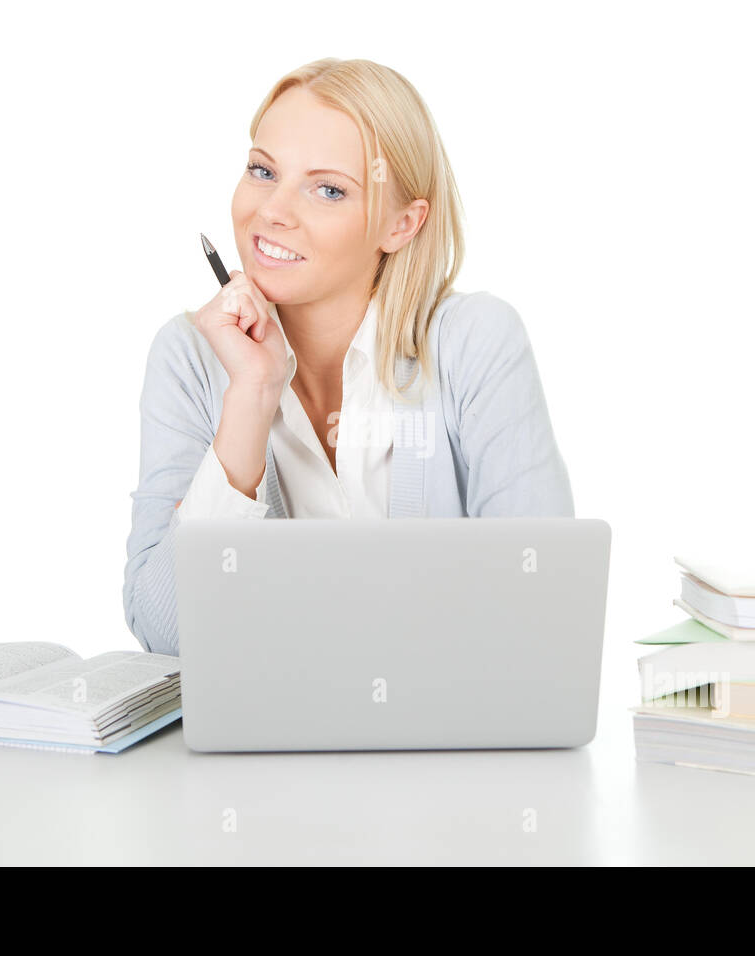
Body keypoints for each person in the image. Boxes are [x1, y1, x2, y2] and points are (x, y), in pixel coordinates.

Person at [123, 58, 573, 656]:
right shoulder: (189, 357)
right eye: (263, 170)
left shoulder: (476, 342)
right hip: (267, 746)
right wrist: (251, 399)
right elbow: (165, 632)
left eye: (328, 189)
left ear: (402, 224)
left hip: (443, 744)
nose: (272, 212)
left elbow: (545, 600)